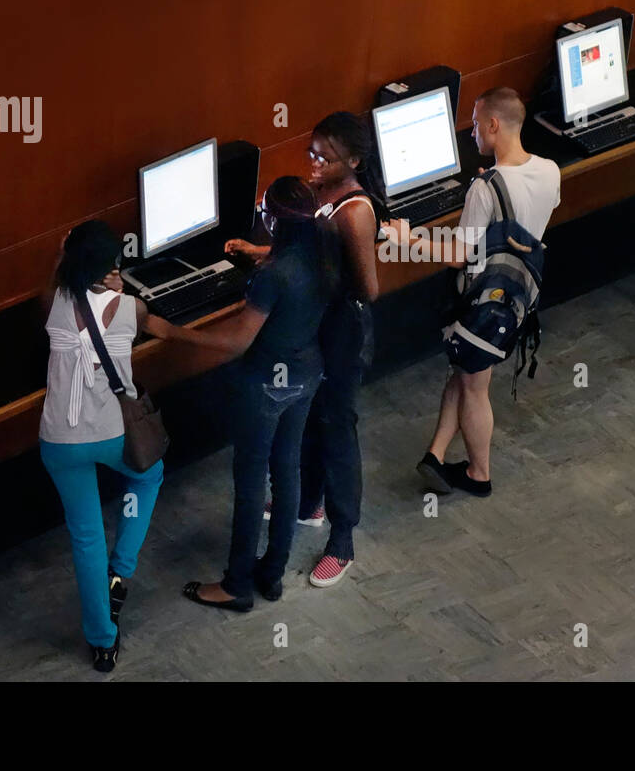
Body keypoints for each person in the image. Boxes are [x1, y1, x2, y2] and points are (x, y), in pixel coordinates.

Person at [225, 113, 386, 588]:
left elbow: (367, 288)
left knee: (337, 427)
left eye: (325, 157)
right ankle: (308, 502)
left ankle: (342, 540)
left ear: (352, 161)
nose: (313, 163)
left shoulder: (354, 213)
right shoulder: (320, 196)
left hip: (342, 334)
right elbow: (311, 253)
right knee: (311, 417)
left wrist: (307, 285)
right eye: (311, 152)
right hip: (317, 328)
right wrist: (262, 254)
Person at [181, 176, 338, 611]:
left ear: (273, 220)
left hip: (265, 386)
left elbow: (236, 342)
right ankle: (272, 573)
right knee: (286, 472)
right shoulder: (323, 253)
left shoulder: (272, 277)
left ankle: (235, 586)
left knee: (251, 484)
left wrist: (174, 333)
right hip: (306, 376)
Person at [38, 220, 187, 672]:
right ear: (112, 267)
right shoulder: (130, 308)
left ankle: (103, 643)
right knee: (149, 475)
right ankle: (120, 571)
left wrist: (64, 258)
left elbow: (55, 287)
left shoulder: (54, 301)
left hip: (59, 441)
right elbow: (153, 327)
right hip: (111, 434)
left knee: (85, 538)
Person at [409, 87, 560, 498]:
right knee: (467, 370)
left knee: (474, 384)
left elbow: (458, 255)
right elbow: (526, 222)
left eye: (475, 124)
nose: (471, 131)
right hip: (517, 300)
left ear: (493, 126)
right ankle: (435, 456)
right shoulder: (550, 170)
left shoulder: (484, 189)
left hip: (481, 303)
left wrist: (407, 240)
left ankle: (479, 475)